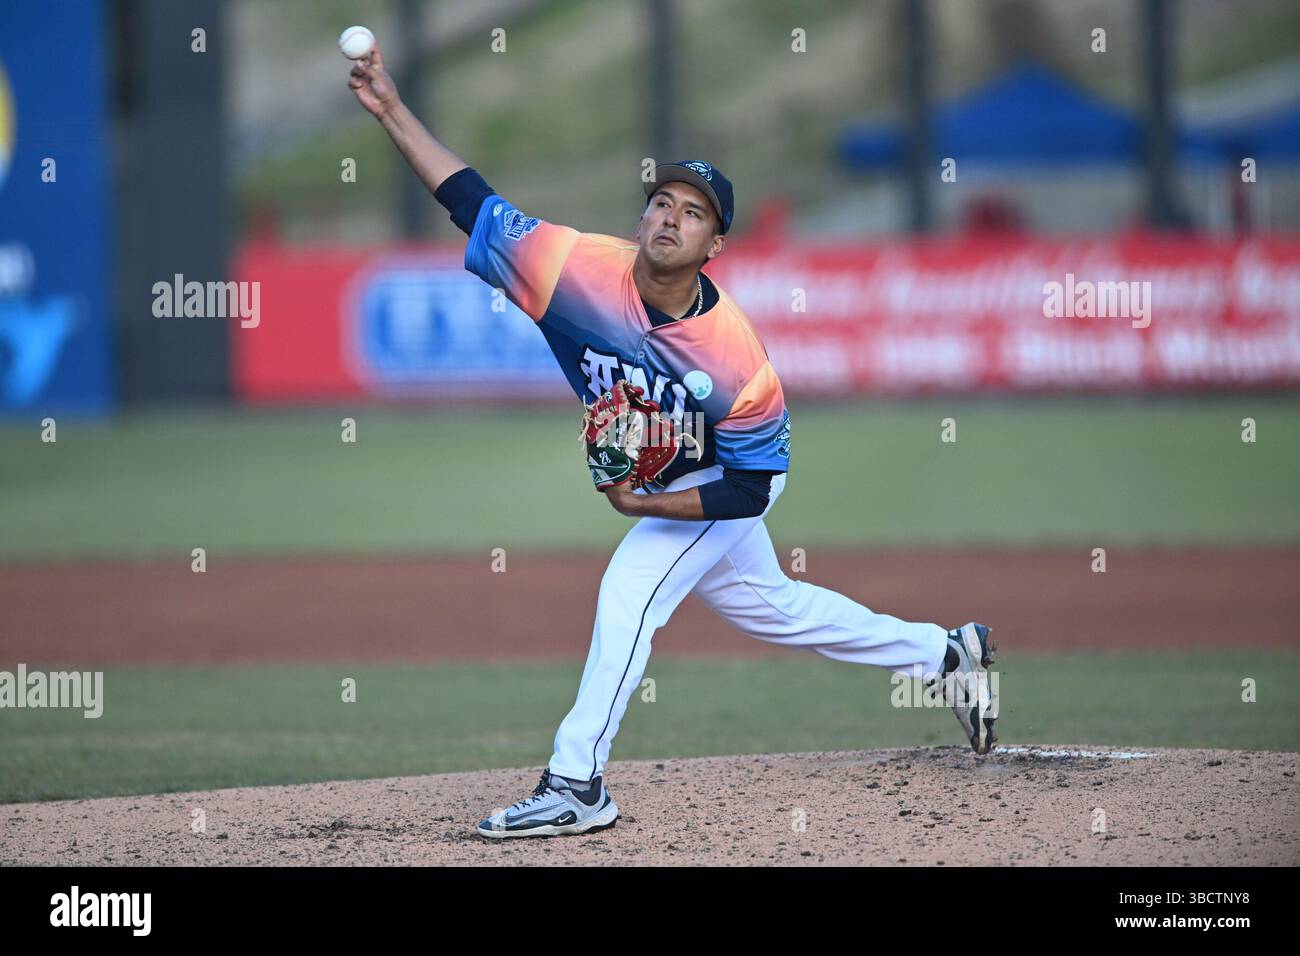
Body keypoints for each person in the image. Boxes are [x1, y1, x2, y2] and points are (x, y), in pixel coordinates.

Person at [347, 44, 997, 840]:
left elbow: (751, 491)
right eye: (662, 201)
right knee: (777, 610)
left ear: (715, 245)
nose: (671, 218)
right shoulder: (572, 265)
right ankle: (948, 656)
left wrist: (645, 502)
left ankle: (576, 782)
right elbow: (468, 199)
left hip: (727, 477)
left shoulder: (736, 359)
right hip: (683, 476)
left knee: (631, 591)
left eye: (694, 213)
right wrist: (390, 109)